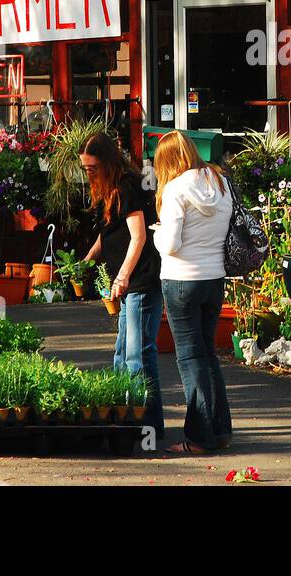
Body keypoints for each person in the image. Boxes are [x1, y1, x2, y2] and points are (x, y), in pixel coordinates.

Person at [151, 131, 234, 454]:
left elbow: (170, 245)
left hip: (181, 280)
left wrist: (156, 233)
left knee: (189, 358)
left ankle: (199, 437)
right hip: (214, 279)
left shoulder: (174, 189)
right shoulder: (220, 184)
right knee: (208, 354)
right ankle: (220, 429)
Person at [81, 132, 164, 437]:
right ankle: (123, 418)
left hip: (140, 279)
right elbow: (109, 232)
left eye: (92, 168)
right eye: (85, 168)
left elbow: (139, 236)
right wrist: (87, 260)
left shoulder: (129, 186)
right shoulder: (110, 188)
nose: (88, 173)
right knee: (121, 355)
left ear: (107, 162)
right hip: (128, 282)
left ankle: (148, 428)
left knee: (138, 355)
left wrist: (123, 276)